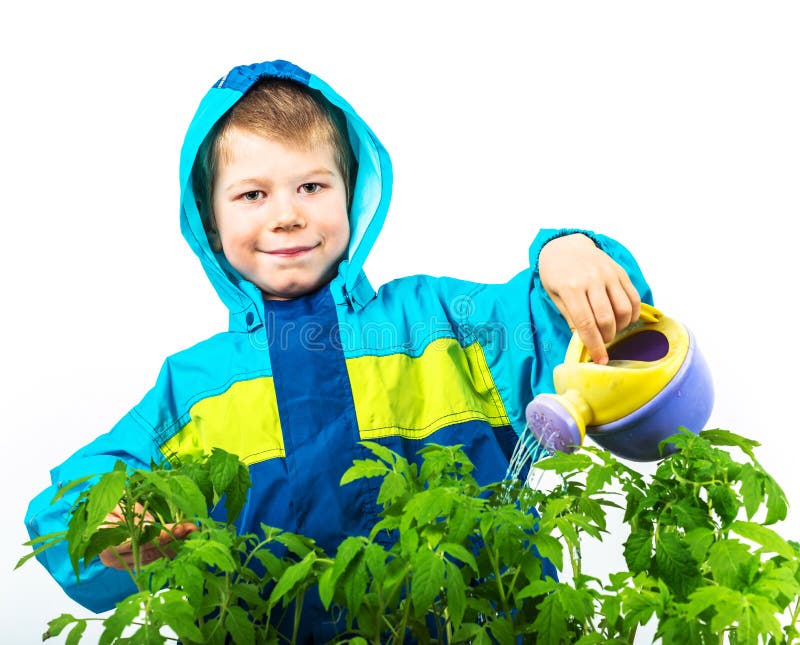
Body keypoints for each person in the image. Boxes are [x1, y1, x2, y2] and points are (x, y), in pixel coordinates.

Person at [25, 59, 652, 641]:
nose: (287, 216)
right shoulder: (194, 389)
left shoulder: (439, 325)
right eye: (252, 195)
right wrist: (108, 527)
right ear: (210, 221)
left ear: (352, 193)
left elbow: (585, 328)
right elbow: (63, 509)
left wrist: (567, 253)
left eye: (312, 186)